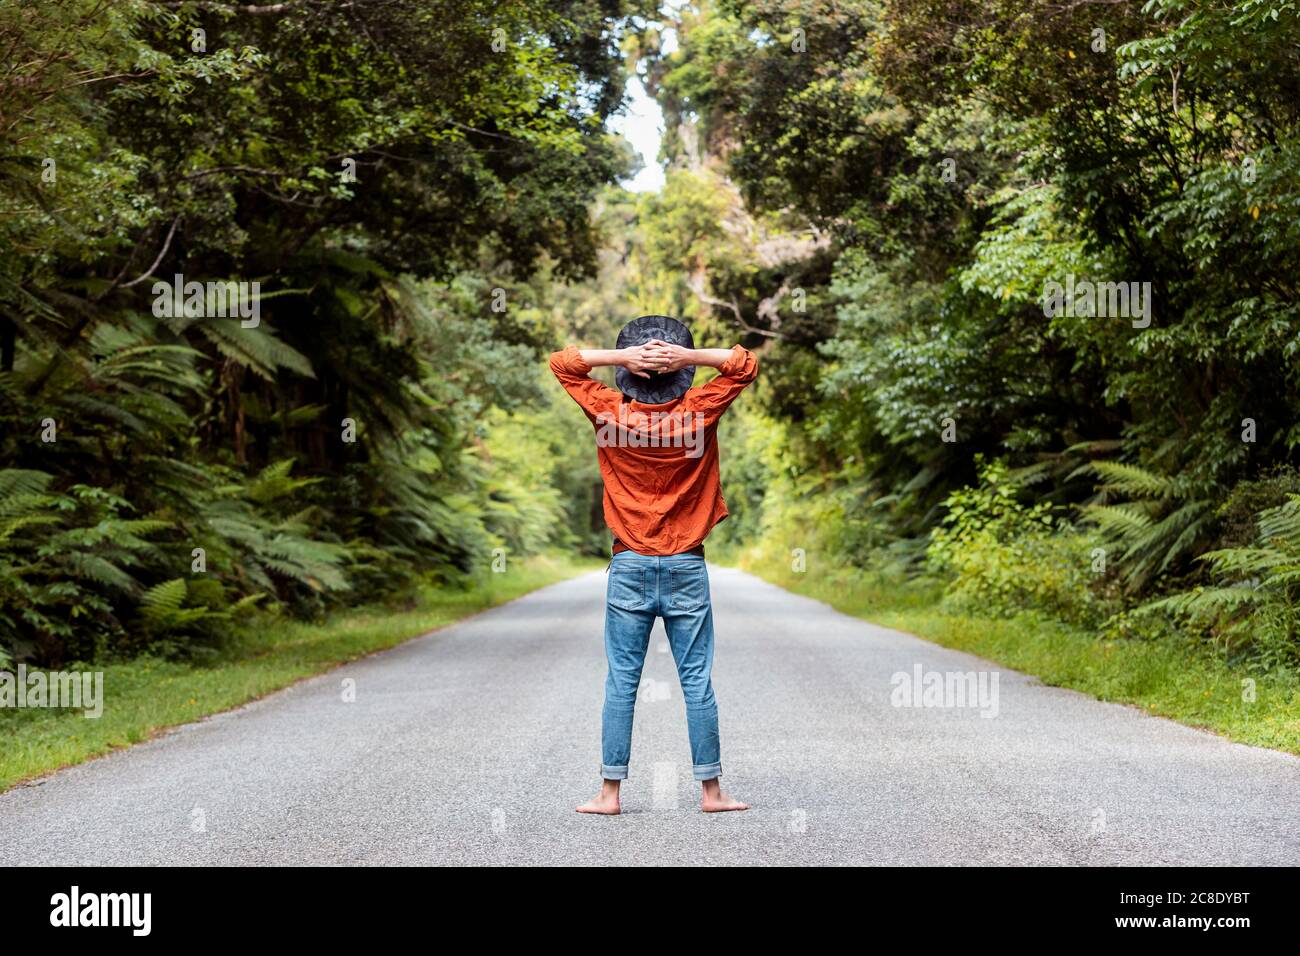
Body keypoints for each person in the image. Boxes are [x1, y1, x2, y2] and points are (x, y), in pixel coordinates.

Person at [549, 314, 759, 814]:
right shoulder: (701, 410)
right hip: (687, 565)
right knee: (696, 681)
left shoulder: (607, 412)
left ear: (632, 373)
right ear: (680, 373)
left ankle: (609, 794)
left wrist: (621, 357)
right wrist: (687, 356)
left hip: (629, 566)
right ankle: (711, 793)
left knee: (622, 680)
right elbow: (743, 366)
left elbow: (563, 364)